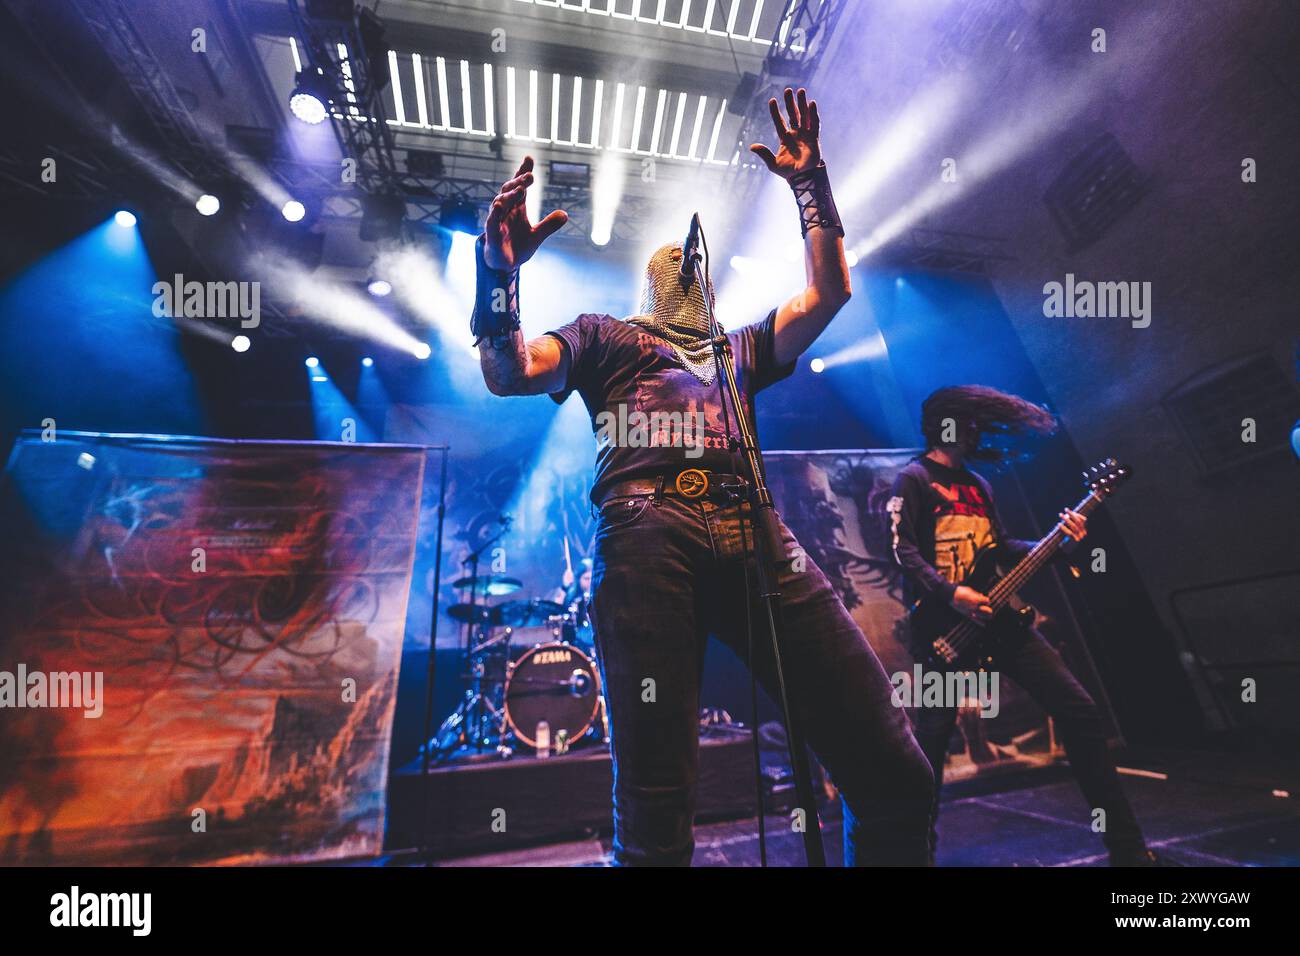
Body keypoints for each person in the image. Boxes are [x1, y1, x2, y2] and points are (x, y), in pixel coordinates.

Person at [469, 88, 934, 866]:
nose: (692, 272)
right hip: (648, 533)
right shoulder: (605, 334)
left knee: (896, 772)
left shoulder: (738, 351)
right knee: (656, 821)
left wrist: (811, 184)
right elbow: (507, 371)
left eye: (697, 269)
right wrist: (497, 275)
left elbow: (830, 294)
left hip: (756, 529)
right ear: (655, 284)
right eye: (677, 268)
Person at [888, 384, 1164, 866]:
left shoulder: (978, 486)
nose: (975, 433)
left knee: (1078, 710)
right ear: (947, 426)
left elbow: (998, 548)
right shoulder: (912, 479)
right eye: (968, 424)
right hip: (942, 631)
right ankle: (914, 858)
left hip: (998, 618)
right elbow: (902, 550)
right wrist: (950, 592)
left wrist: (1059, 541)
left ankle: (1128, 850)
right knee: (931, 744)